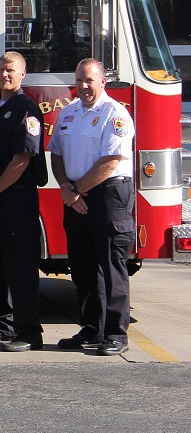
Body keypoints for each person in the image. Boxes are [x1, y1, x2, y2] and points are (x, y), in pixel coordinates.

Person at [51, 58, 135, 356]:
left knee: (112, 267)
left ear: (102, 81)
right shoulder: (69, 112)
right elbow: (56, 153)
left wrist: (76, 191)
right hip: (76, 195)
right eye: (79, 81)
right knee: (83, 267)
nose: (84, 86)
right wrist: (65, 188)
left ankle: (115, 333)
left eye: (89, 80)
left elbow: (111, 161)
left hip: (108, 196)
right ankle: (92, 328)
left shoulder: (115, 114)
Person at [0, 52, 46, 352]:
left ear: (23, 74)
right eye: (1, 69)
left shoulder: (27, 111)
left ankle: (29, 332)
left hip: (17, 199)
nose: (4, 74)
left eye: (10, 70)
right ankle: (3, 325)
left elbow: (22, 159)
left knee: (20, 267)